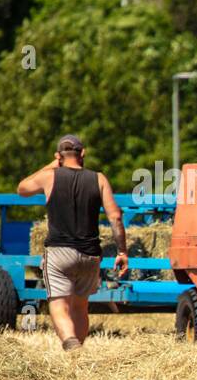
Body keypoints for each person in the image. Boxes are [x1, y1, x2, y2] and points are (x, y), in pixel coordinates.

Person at [16, 136, 127, 350]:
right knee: (80, 307)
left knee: (58, 305)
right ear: (82, 153)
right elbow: (115, 217)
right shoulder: (99, 179)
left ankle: (71, 343)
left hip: (59, 253)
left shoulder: (50, 177)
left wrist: (50, 165)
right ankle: (77, 354)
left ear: (59, 156)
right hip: (90, 255)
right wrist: (122, 251)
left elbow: (22, 189)